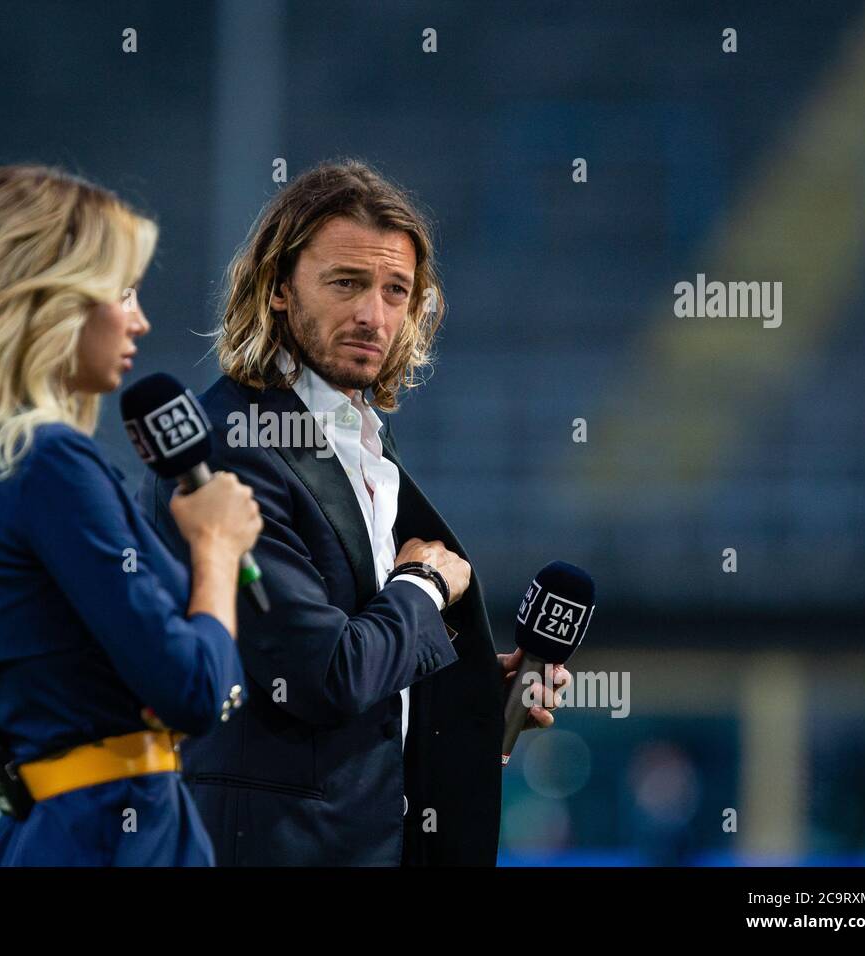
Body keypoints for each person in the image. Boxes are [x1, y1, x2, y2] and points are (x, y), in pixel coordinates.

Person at [145, 160, 571, 866]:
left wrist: (467, 697)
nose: (374, 315)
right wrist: (426, 588)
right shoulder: (230, 445)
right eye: (346, 283)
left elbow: (362, 659)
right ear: (278, 288)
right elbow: (324, 675)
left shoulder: (361, 439)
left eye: (396, 291)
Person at [0, 165, 261, 866]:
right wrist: (215, 549)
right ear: (54, 300)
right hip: (121, 833)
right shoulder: (52, 463)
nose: (140, 318)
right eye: (122, 291)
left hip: (41, 833)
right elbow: (197, 691)